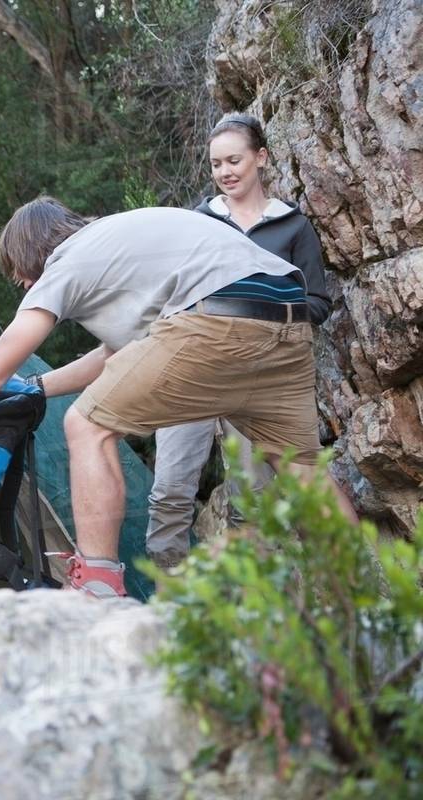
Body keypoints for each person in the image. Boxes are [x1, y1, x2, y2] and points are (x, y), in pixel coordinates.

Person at [0, 196, 359, 598]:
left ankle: (98, 584)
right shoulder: (124, 240)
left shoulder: (67, 261)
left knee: (87, 425)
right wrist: (37, 385)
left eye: (18, 273)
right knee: (300, 466)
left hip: (217, 321)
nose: (22, 285)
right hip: (287, 318)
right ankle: (366, 598)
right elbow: (115, 356)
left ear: (32, 253)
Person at [145, 112, 333, 569]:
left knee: (253, 497)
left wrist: (262, 311)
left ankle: (250, 607)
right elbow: (169, 291)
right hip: (192, 370)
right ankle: (174, 601)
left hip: (258, 377)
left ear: (261, 158)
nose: (225, 172)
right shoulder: (198, 221)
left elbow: (318, 303)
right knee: (170, 489)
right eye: (216, 165)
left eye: (234, 160)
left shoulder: (293, 226)